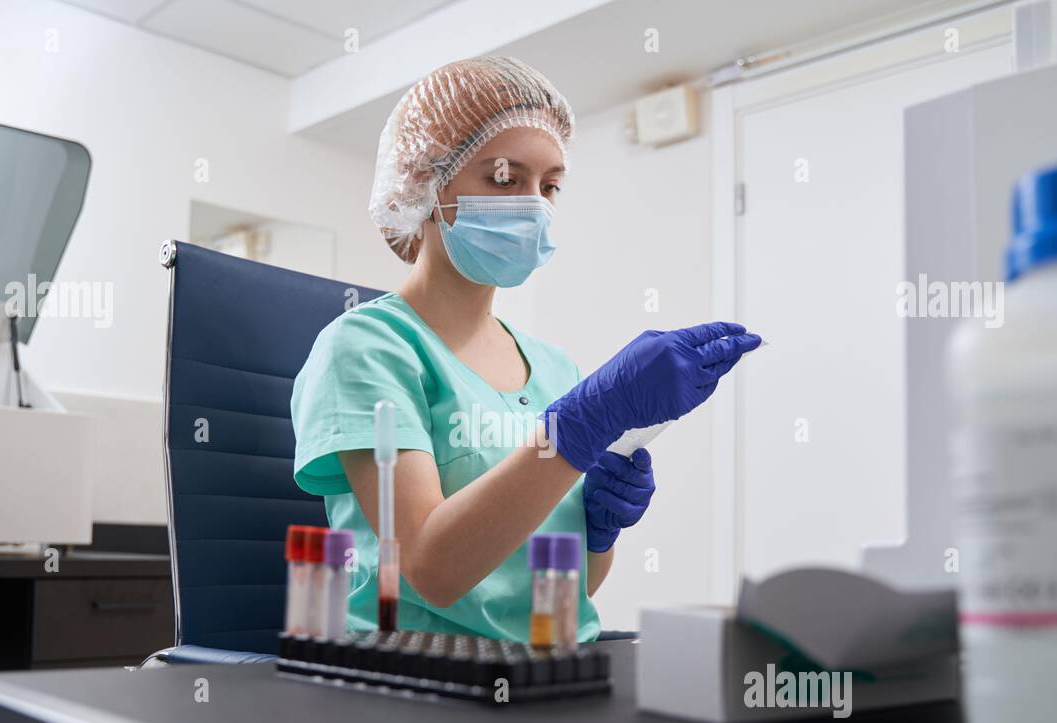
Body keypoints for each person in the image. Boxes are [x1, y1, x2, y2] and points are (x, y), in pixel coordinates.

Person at [290, 56, 760, 643]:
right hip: (420, 672)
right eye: (505, 179)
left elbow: (570, 591)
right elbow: (433, 572)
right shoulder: (367, 347)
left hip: (549, 662)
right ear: (425, 182)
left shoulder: (554, 367)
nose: (534, 204)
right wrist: (580, 425)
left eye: (551, 185)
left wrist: (599, 534)